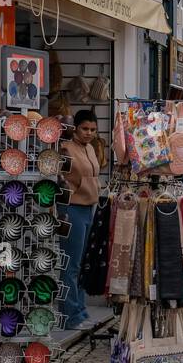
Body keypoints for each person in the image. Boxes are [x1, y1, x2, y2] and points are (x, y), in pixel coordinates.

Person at [60, 110, 101, 329]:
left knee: (83, 263)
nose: (89, 133)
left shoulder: (91, 148)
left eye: (93, 129)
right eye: (85, 128)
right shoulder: (66, 148)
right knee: (71, 264)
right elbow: (58, 176)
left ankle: (81, 311)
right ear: (75, 127)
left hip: (88, 207)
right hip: (72, 207)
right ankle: (70, 315)